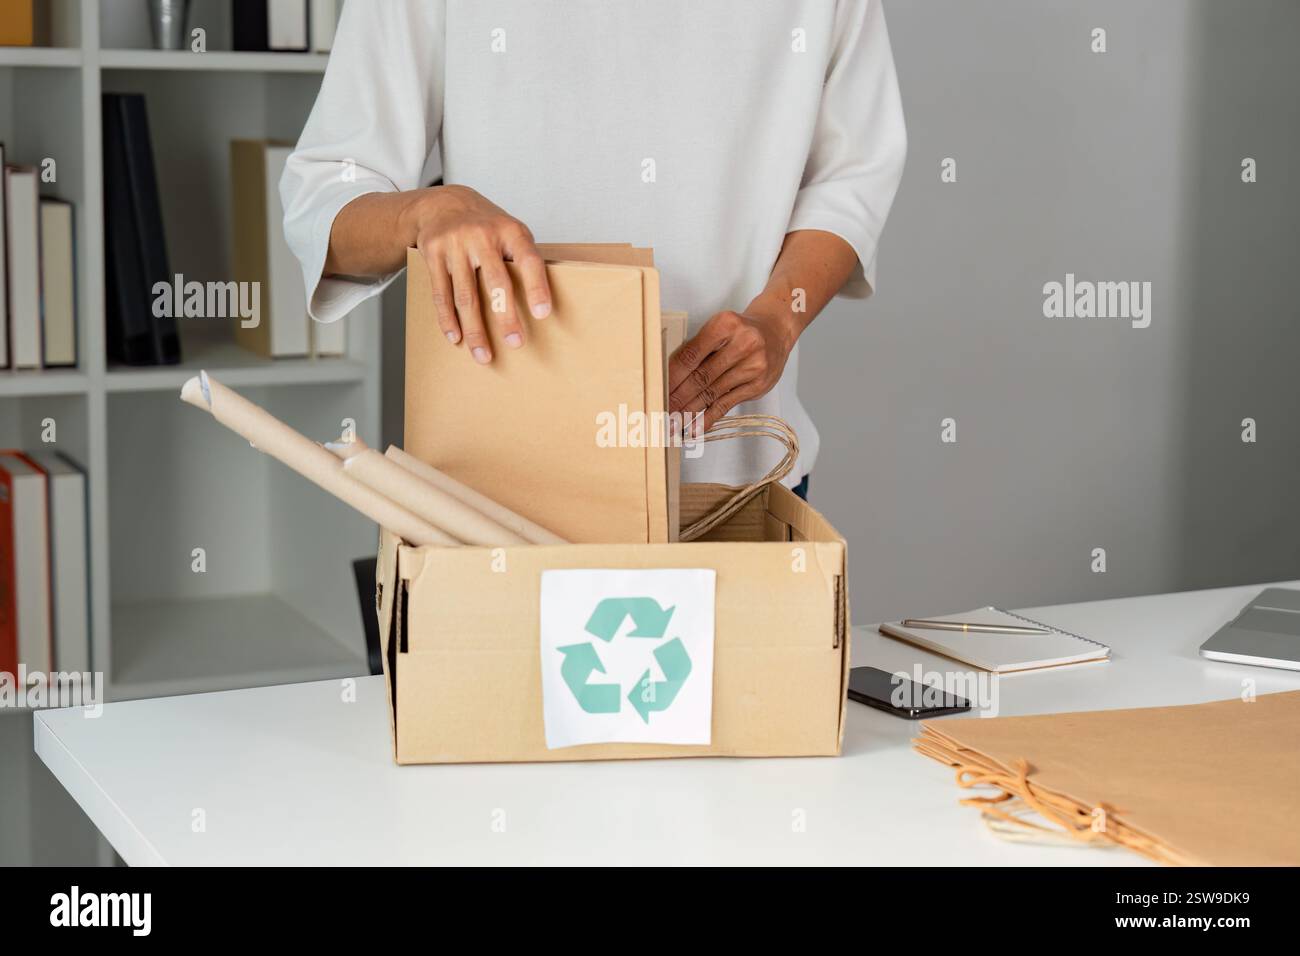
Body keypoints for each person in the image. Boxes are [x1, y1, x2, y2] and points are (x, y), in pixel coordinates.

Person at [282, 0, 906, 499]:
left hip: (737, 474)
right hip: (493, 494)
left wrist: (778, 318)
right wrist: (426, 212)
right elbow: (325, 202)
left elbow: (852, 174)